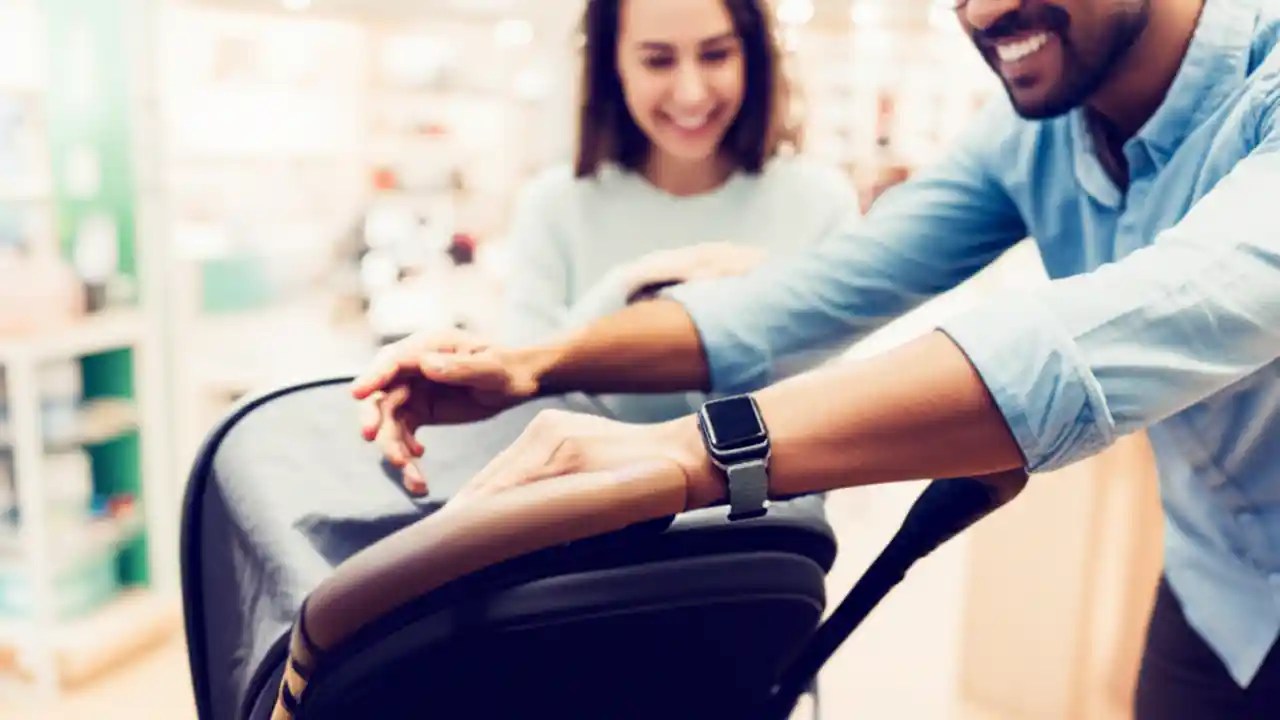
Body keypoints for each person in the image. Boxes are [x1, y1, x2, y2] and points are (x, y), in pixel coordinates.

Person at [354, 0, 1280, 716]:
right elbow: (800, 298)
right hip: (1211, 594)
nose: (986, 10)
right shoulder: (1029, 138)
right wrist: (531, 363)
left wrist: (686, 450)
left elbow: (1122, 328)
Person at [365, 0, 858, 492]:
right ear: (612, 64)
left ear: (752, 55)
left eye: (716, 55)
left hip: (774, 524)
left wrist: (746, 309)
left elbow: (832, 416)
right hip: (587, 523)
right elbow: (525, 385)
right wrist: (633, 287)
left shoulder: (819, 201)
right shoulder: (553, 204)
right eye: (657, 60)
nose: (691, 93)